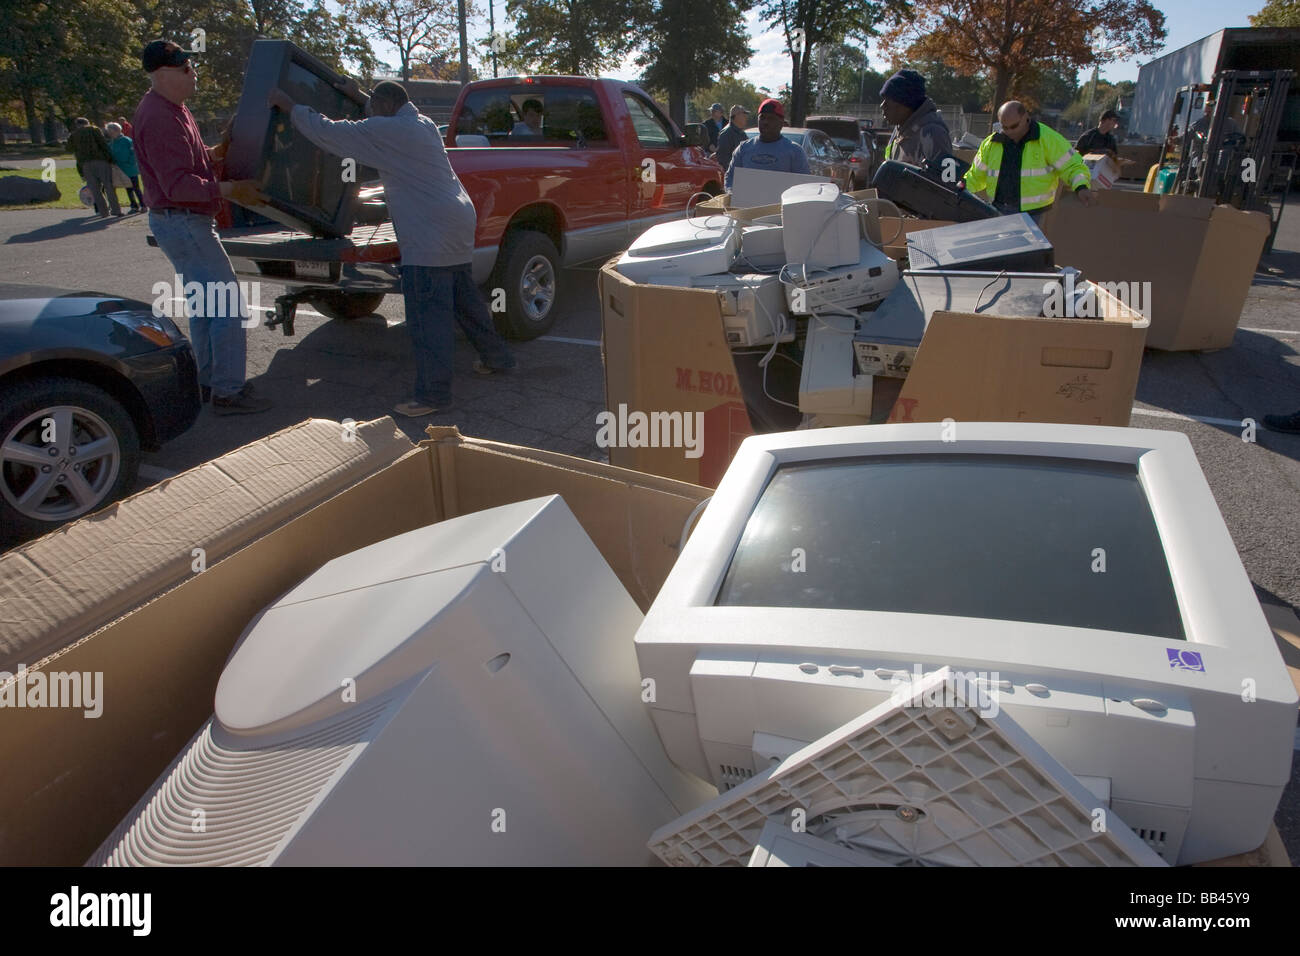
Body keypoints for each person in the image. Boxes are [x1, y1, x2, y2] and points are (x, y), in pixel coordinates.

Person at [269, 78, 515, 417]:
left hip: (429, 233)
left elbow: (328, 132)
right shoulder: (422, 123)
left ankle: (434, 396)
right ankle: (497, 358)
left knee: (429, 318)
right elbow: (383, 105)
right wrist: (359, 95)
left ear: (384, 107)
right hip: (457, 219)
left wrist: (288, 104)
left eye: (374, 106)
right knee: (465, 301)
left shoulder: (386, 130)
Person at [132, 39, 270, 415]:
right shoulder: (160, 117)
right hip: (184, 221)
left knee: (207, 306)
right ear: (163, 75)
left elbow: (189, 162)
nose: (194, 75)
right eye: (186, 70)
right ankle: (228, 391)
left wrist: (216, 153)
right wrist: (230, 189)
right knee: (227, 306)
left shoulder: (174, 109)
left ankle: (208, 382)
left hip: (181, 222)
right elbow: (178, 185)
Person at [962, 100, 1096, 220]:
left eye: (1014, 126)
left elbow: (1072, 166)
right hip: (999, 210)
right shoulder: (991, 143)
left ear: (1026, 117)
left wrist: (1081, 187)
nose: (1009, 132)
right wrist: (959, 189)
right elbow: (976, 176)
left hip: (1034, 214)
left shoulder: (1048, 139)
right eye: (1004, 127)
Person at [724, 98, 809, 191]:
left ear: (781, 122)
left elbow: (803, 187)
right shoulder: (743, 149)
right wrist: (731, 193)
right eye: (762, 117)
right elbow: (730, 179)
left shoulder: (795, 151)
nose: (765, 122)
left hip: (780, 205)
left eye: (771, 118)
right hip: (746, 205)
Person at [879, 69, 952, 166]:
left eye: (888, 100)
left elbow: (944, 180)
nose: (882, 105)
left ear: (906, 104)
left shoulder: (933, 133)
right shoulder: (900, 130)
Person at [68, 118, 122, 218]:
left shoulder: (74, 135)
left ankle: (103, 212)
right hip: (100, 161)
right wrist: (111, 159)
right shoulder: (94, 130)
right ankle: (115, 210)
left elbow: (71, 150)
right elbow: (103, 145)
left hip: (85, 164)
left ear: (77, 125)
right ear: (87, 123)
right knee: (109, 186)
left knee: (95, 190)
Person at [104, 122, 145, 213]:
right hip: (120, 170)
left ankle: (143, 205)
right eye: (109, 132)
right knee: (128, 189)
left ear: (117, 130)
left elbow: (134, 153)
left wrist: (130, 162)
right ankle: (134, 205)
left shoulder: (127, 140)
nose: (110, 134)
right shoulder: (111, 143)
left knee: (136, 188)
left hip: (130, 168)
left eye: (111, 132)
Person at [715, 105, 748, 174]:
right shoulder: (726, 133)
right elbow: (722, 159)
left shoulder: (742, 133)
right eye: (744, 114)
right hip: (734, 176)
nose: (746, 117)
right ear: (736, 116)